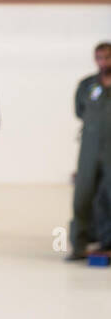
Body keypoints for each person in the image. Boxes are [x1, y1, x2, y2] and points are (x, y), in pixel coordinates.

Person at [67, 42, 111, 261]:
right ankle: (79, 245)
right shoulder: (87, 85)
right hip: (90, 147)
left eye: (107, 57)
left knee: (109, 197)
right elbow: (79, 111)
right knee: (82, 195)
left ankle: (107, 243)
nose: (103, 62)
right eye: (99, 58)